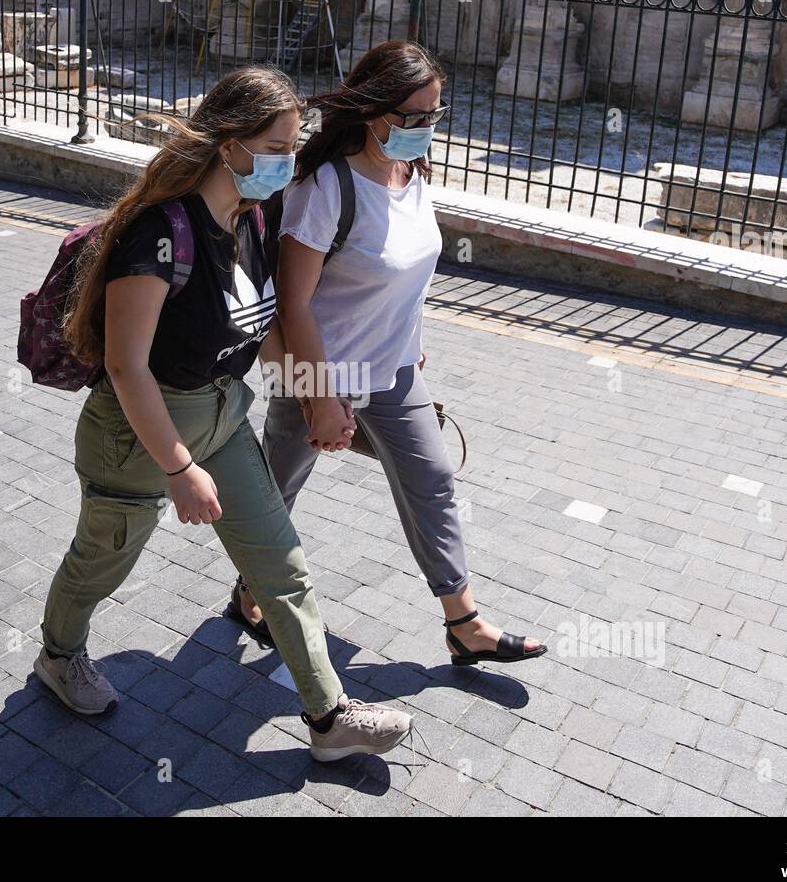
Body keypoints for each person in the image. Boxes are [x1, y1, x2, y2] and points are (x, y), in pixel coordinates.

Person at [38, 66, 411, 762]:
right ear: (227, 143)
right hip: (138, 429)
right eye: (275, 146)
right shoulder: (156, 234)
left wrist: (319, 395)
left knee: (281, 565)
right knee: (102, 563)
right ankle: (59, 654)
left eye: (293, 146)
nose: (287, 162)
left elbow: (263, 330)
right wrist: (178, 469)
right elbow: (126, 366)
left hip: (224, 413)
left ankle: (328, 718)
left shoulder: (255, 219)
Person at [230, 41, 548, 667]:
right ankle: (249, 591)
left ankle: (464, 623)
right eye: (415, 117)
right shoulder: (326, 186)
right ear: (374, 112)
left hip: (395, 370)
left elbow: (409, 273)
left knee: (432, 481)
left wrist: (414, 341)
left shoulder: (413, 174)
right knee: (279, 492)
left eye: (436, 114)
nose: (428, 129)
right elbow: (295, 306)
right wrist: (320, 398)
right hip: (322, 370)